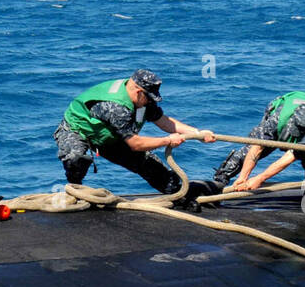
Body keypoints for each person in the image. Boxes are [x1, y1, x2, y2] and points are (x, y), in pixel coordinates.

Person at [56, 69, 216, 194]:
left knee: (152, 167)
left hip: (110, 135)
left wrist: (197, 133)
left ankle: (177, 195)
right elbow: (136, 144)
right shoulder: (116, 108)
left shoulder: (143, 100)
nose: (151, 102)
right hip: (79, 131)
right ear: (139, 92)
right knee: (75, 158)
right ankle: (75, 189)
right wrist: (167, 141)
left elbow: (164, 121)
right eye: (149, 98)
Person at [212, 91, 305, 191]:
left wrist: (259, 179)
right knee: (247, 152)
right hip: (282, 112)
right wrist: (243, 178)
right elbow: (257, 148)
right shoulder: (277, 119)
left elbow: (289, 157)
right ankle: (220, 180)